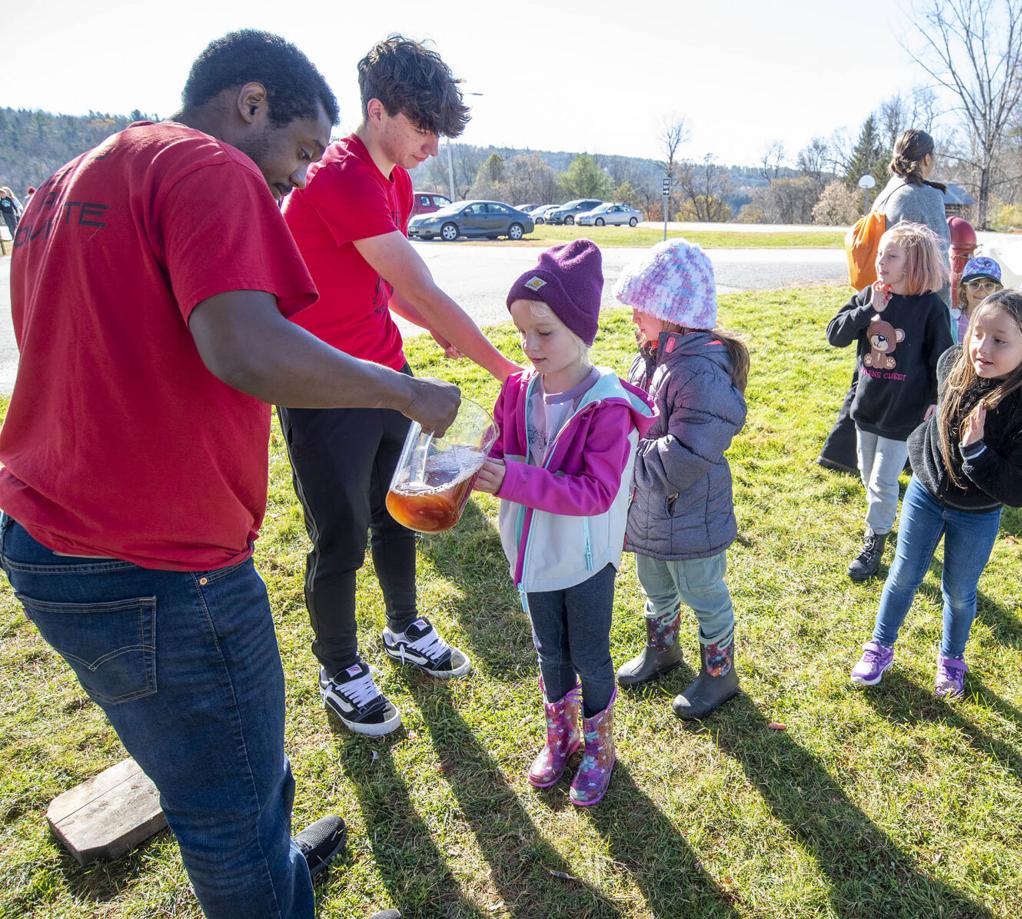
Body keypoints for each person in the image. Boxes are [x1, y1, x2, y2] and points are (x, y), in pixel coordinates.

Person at [0, 29, 440, 919]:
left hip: (47, 537)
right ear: (250, 104)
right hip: (162, 563)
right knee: (228, 806)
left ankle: (272, 859)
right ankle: (263, 877)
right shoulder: (209, 165)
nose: (300, 178)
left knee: (208, 761)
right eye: (302, 150)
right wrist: (401, 389)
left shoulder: (62, 185)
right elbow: (246, 346)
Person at [281, 35, 521, 736]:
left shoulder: (397, 182)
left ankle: (403, 626)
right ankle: (338, 666)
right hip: (322, 383)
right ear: (378, 110)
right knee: (341, 534)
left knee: (401, 507)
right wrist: (507, 372)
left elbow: (388, 289)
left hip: (387, 373)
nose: (432, 146)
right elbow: (421, 286)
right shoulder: (339, 176)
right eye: (423, 127)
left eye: (438, 131)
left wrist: (429, 327)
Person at [473, 239, 654, 806]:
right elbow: (501, 447)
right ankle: (562, 737)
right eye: (521, 333)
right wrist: (474, 461)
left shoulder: (607, 407)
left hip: (584, 559)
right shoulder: (517, 391)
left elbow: (596, 492)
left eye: (544, 332)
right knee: (550, 652)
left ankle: (600, 747)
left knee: (590, 656)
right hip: (532, 554)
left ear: (582, 329)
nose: (529, 346)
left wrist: (510, 480)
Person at [850, 290, 1022, 697]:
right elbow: (933, 401)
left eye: (999, 341)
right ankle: (880, 645)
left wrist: (976, 452)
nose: (982, 348)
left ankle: (951, 659)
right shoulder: (953, 362)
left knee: (958, 592)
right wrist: (924, 433)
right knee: (903, 575)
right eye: (978, 333)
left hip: (977, 513)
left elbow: (1018, 490)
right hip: (925, 493)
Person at [612, 240, 749, 719]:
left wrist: (621, 454)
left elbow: (685, 456)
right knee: (654, 584)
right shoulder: (650, 356)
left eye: (641, 306)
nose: (633, 315)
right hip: (650, 508)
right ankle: (663, 650)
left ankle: (720, 673)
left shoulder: (699, 373)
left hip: (691, 516)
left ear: (673, 313)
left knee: (703, 594)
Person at [826, 222, 953, 582]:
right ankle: (884, 518)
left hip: (905, 414)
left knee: (882, 482)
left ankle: (875, 541)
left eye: (891, 256)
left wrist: (936, 399)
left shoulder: (931, 307)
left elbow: (943, 359)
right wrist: (869, 309)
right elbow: (835, 336)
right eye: (880, 254)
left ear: (913, 263)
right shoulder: (870, 295)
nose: (881, 261)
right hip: (868, 408)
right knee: (868, 475)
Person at [819, 129, 949, 474]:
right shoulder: (923, 195)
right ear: (927, 158)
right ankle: (905, 459)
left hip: (879, 295)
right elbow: (938, 256)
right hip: (911, 300)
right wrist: (943, 300)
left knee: (868, 375)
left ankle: (842, 454)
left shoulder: (887, 192)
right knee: (905, 375)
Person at [954, 255, 1005, 344]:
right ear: (964, 288)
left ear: (997, 290)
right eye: (974, 284)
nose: (981, 291)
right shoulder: (953, 319)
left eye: (988, 285)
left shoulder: (1003, 321)